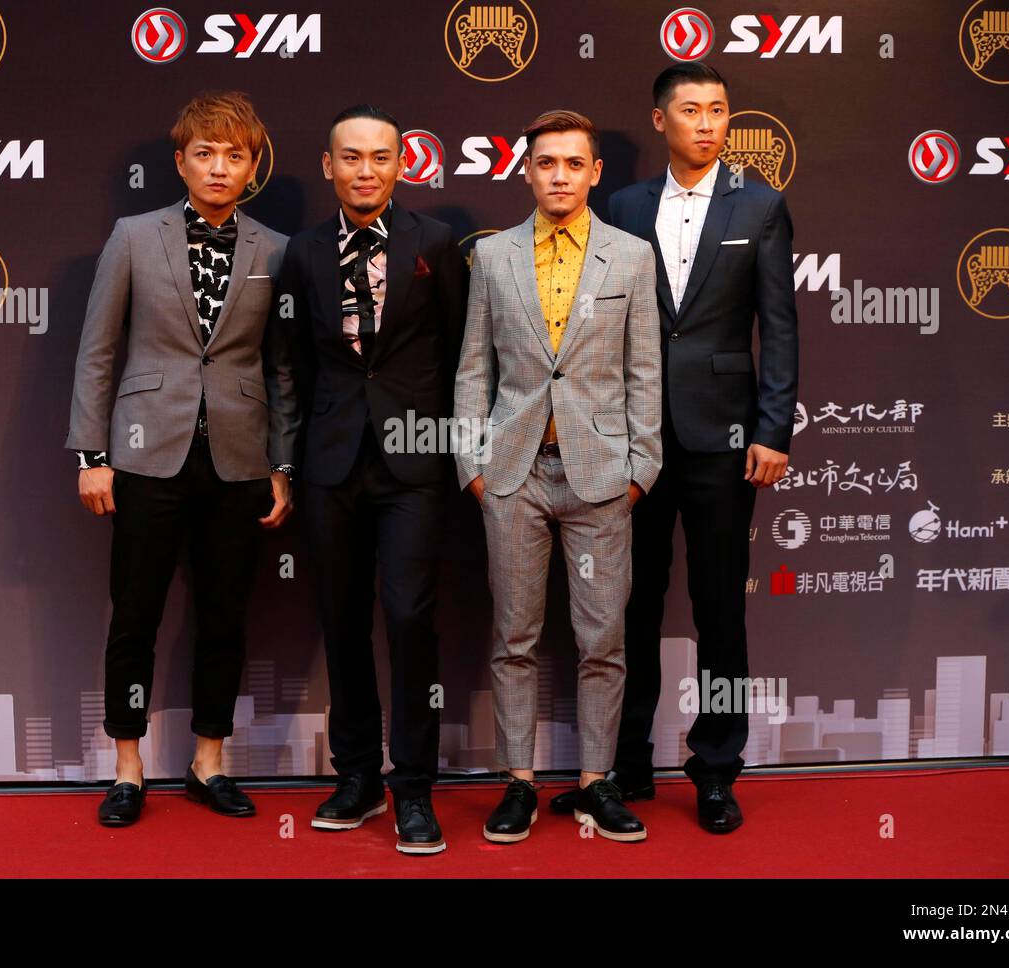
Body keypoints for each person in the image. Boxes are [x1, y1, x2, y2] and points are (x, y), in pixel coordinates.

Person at [552, 62, 798, 833]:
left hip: (725, 441)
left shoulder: (761, 205)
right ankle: (624, 766)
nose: (706, 123)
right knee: (625, 606)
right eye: (690, 110)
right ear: (659, 121)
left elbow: (779, 327)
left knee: (722, 609)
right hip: (631, 438)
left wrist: (771, 429)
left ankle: (717, 765)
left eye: (718, 111)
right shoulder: (620, 204)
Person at [65, 91, 298, 827]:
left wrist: (281, 465)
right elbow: (98, 350)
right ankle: (127, 768)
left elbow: (282, 368)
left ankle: (208, 760)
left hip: (236, 458)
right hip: (143, 455)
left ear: (252, 165)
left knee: (225, 618)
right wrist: (92, 455)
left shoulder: (276, 249)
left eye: (234, 155)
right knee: (135, 615)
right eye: (206, 153)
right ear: (181, 162)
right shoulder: (134, 236)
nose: (219, 167)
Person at [453, 109, 662, 844]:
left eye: (575, 164)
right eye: (547, 163)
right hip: (512, 476)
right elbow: (474, 367)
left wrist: (640, 470)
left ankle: (596, 782)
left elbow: (645, 373)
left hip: (602, 477)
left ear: (595, 172)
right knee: (514, 635)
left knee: (602, 638)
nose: (561, 176)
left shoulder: (632, 255)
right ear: (528, 170)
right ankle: (517, 783)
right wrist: (472, 466)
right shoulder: (494, 255)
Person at [274, 105, 466, 854]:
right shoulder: (303, 253)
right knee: (341, 620)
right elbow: (289, 362)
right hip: (329, 462)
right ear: (329, 166)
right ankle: (356, 778)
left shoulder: (437, 245)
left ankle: (414, 787)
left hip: (416, 460)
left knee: (410, 617)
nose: (364, 169)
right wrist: (285, 463)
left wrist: (459, 451)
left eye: (379, 157)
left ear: (400, 165)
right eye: (349, 157)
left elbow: (458, 358)